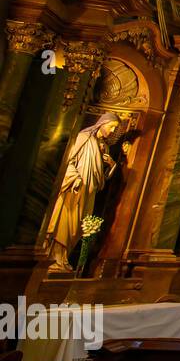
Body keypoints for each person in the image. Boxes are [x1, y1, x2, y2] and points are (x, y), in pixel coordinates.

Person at [45, 113, 121, 271]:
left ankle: (63, 258)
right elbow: (68, 160)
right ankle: (53, 258)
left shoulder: (104, 147)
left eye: (115, 128)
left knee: (77, 227)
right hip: (75, 188)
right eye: (111, 126)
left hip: (89, 192)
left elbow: (101, 178)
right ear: (102, 123)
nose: (113, 130)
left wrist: (110, 164)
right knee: (65, 223)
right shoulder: (84, 138)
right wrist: (74, 178)